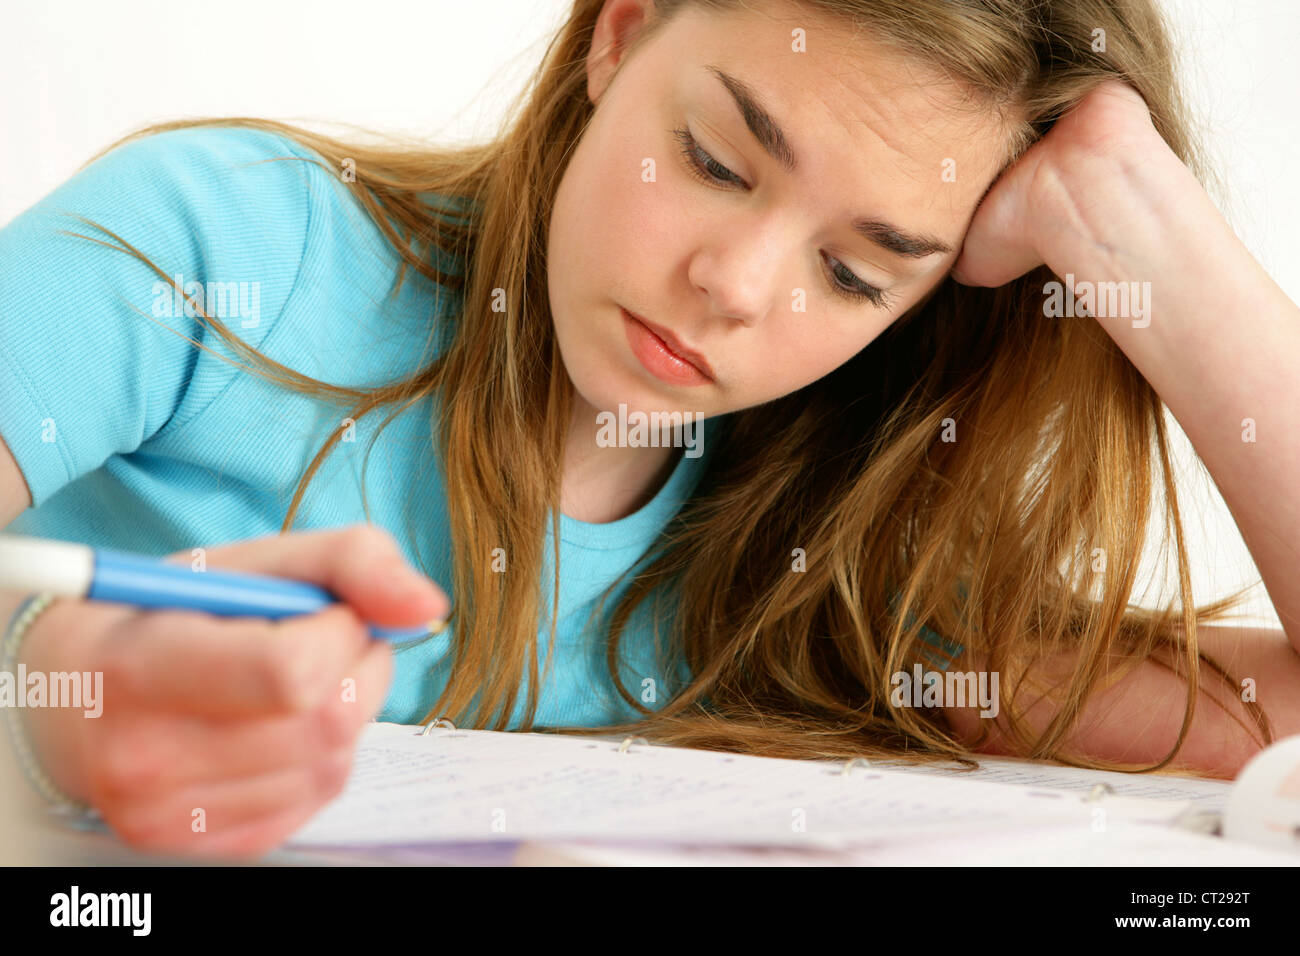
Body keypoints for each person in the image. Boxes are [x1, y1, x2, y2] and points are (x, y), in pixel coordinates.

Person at [2, 0, 1298, 860]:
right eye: (717, 161)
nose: (735, 286)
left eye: (857, 273)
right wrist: (49, 696)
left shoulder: (832, 570)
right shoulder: (224, 246)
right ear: (619, 34)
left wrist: (1153, 239)